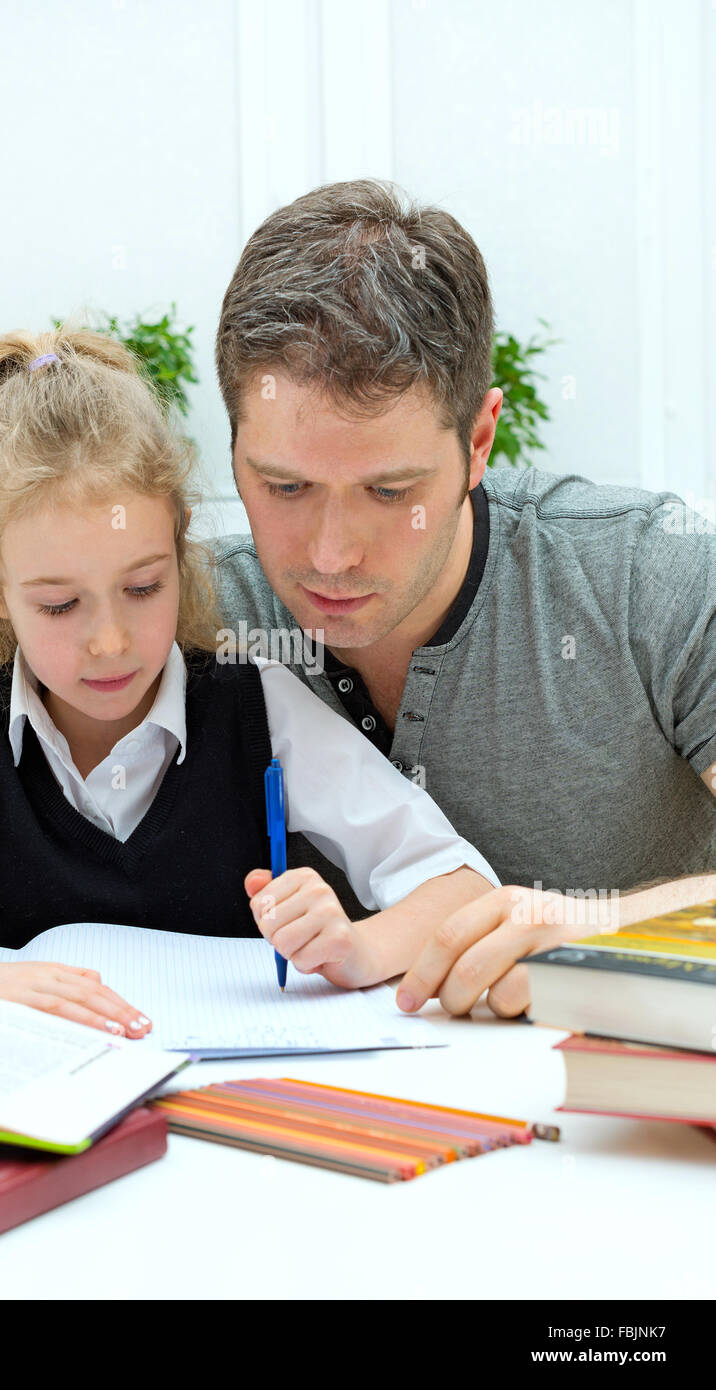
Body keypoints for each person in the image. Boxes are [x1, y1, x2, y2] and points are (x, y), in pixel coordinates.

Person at [0, 329, 500, 1036]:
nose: (110, 641)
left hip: (237, 1109)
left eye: (143, 587)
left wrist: (358, 948)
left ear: (179, 542)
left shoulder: (261, 707)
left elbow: (458, 887)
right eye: (59, 605)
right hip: (41, 1121)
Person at [210, 177, 716, 1020]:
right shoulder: (181, 616)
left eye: (388, 491)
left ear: (479, 440)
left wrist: (597, 930)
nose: (330, 556)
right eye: (286, 486)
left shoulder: (645, 578)